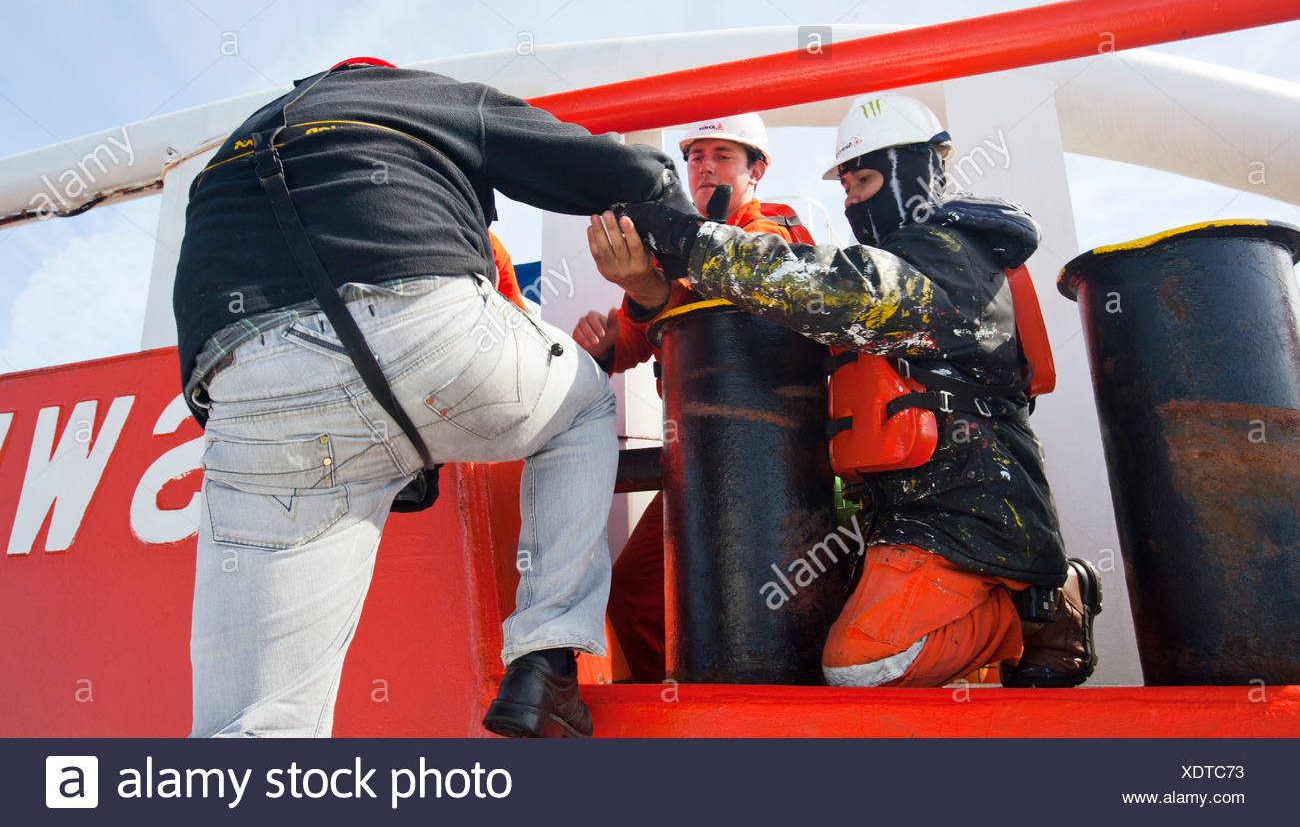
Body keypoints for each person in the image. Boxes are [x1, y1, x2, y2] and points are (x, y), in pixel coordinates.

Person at [173, 57, 685, 738]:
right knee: (581, 405)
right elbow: (623, 173)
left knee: (254, 724)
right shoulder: (422, 96)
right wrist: (676, 234)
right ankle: (544, 659)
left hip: (247, 387)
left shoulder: (225, 157)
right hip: (422, 328)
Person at [617, 92, 1102, 688]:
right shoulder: (898, 254)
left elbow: (846, 290)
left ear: (915, 174)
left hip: (970, 514)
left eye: (866, 180)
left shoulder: (949, 258)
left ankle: (1038, 605)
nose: (852, 200)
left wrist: (693, 243)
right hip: (890, 516)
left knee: (862, 667)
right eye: (845, 187)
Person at [571, 113, 812, 681]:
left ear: (757, 171)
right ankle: (682, 710)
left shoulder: (775, 235)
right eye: (695, 156)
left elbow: (737, 301)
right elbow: (639, 338)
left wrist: (652, 289)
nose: (704, 167)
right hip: (705, 461)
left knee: (771, 608)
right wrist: (607, 342)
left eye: (722, 155)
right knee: (636, 591)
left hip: (777, 465)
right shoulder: (673, 250)